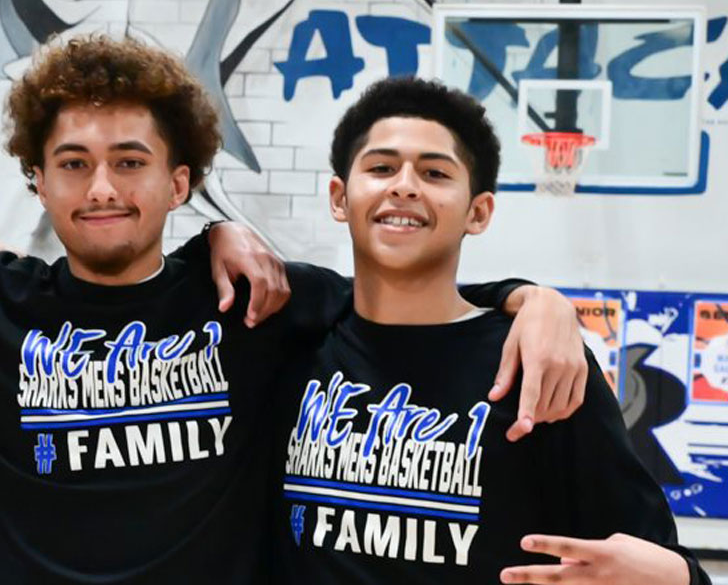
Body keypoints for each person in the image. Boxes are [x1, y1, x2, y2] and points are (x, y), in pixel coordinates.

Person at [0, 36, 586, 583]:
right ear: (37, 181)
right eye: (73, 163)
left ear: (179, 182)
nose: (102, 187)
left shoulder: (255, 300)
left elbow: (408, 295)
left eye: (131, 162)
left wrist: (532, 302)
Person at [270, 77, 709, 585]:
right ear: (339, 198)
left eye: (435, 173)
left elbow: (654, 558)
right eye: (382, 168)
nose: (405, 186)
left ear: (477, 212)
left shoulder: (538, 361)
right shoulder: (290, 340)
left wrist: (680, 577)